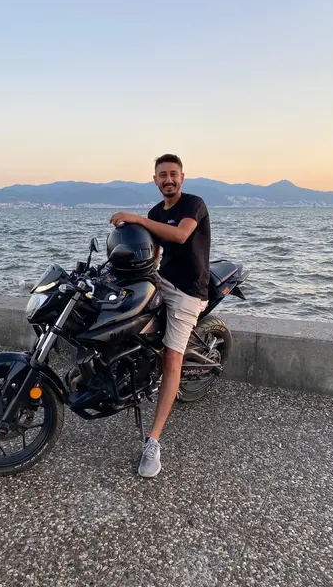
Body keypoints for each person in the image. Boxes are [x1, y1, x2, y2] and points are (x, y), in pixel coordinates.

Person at [110, 154, 211, 478]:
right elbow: (153, 255)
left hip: (188, 291)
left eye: (173, 174)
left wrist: (137, 218)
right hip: (163, 280)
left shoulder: (193, 204)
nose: (168, 179)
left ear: (182, 177)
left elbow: (180, 236)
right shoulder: (156, 212)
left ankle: (153, 441)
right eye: (162, 175)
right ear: (155, 180)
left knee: (171, 358)